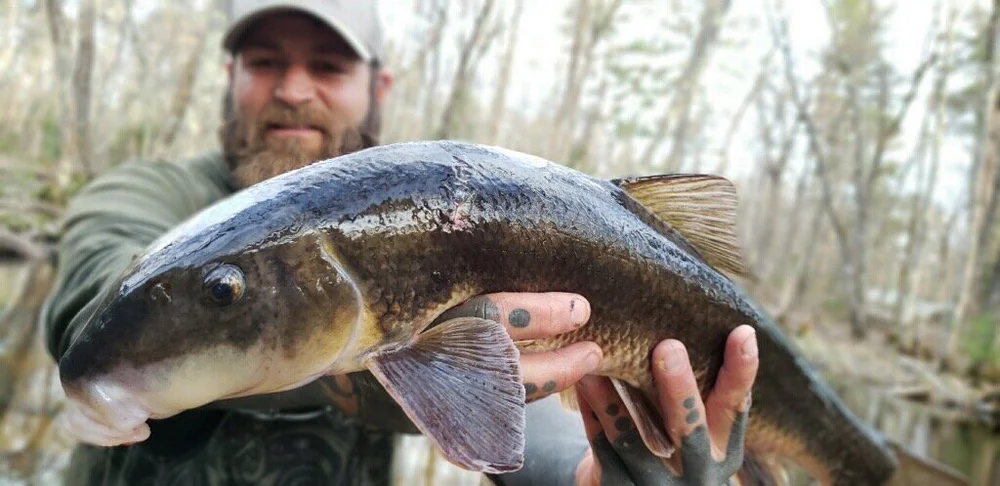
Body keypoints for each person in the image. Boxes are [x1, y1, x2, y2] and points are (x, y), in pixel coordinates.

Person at [39, 1, 760, 485]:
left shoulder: (440, 219)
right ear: (231, 78)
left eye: (327, 67)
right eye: (265, 63)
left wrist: (592, 473)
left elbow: (537, 423)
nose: (294, 89)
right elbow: (88, 297)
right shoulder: (148, 193)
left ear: (376, 85)